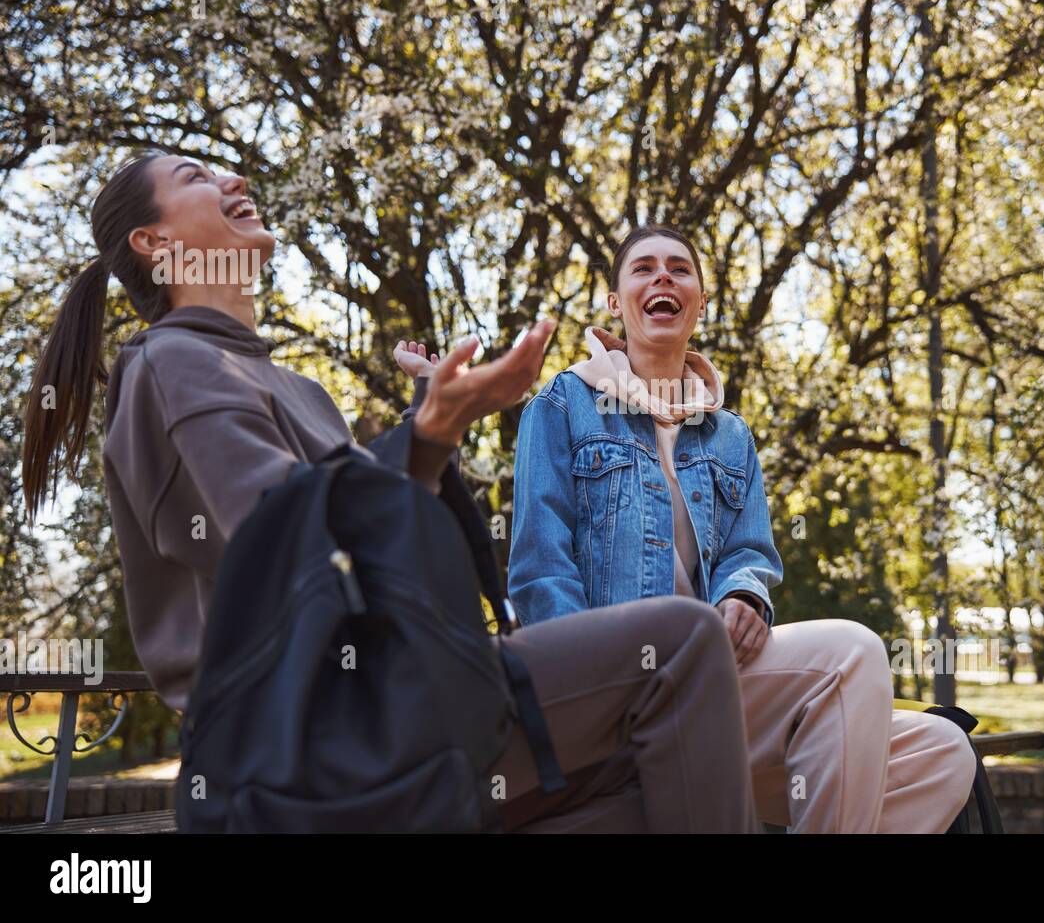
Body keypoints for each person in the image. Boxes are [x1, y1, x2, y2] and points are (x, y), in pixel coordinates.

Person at [20, 152, 760, 833]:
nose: (233, 182)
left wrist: (431, 431)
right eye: (196, 177)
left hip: (407, 691)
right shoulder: (173, 363)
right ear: (154, 244)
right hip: (318, 735)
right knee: (679, 644)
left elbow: (371, 541)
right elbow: (285, 538)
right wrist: (428, 433)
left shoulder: (300, 391)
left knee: (654, 765)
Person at [509, 224, 978, 832]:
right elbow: (541, 568)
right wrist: (589, 686)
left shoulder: (730, 435)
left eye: (679, 270)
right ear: (614, 302)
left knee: (941, 753)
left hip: (712, 688)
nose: (662, 278)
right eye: (643, 269)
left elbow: (748, 550)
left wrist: (741, 594)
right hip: (620, 689)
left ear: (699, 302)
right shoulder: (560, 406)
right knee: (853, 651)